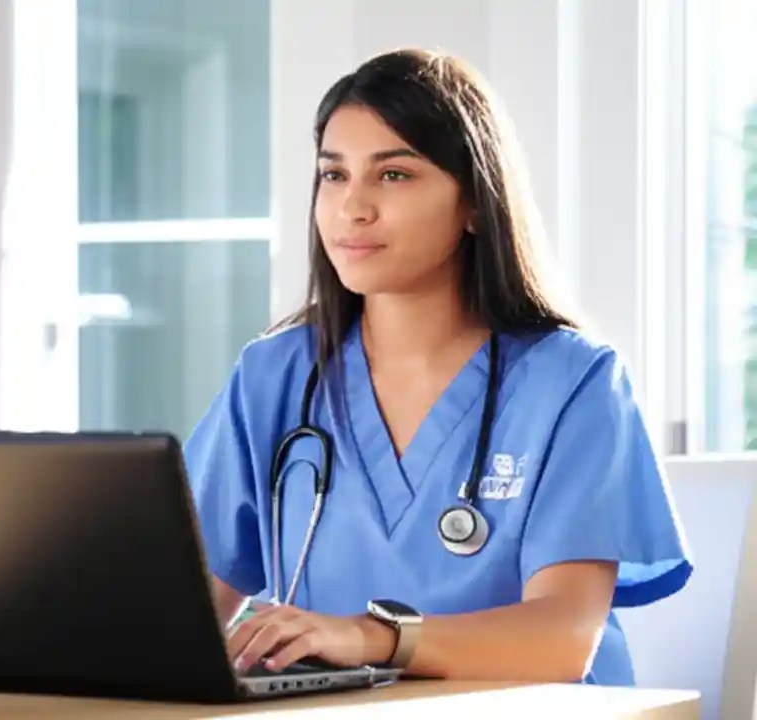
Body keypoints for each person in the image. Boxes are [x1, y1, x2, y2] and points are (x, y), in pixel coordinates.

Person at [182, 48, 691, 687]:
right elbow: (178, 619)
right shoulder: (273, 377)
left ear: (476, 201)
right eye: (333, 175)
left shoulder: (572, 382)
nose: (353, 208)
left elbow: (564, 640)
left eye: (394, 175)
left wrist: (369, 637)